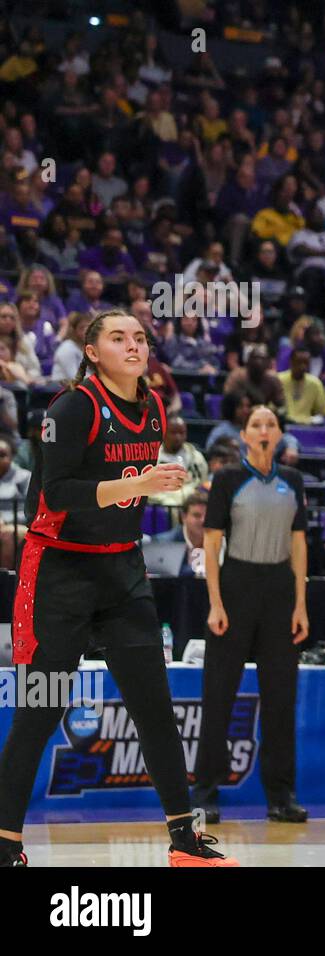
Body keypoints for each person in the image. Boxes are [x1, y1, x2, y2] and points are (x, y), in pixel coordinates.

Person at [0, 309, 234, 866]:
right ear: (91, 352)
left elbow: (124, 494)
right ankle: (6, 842)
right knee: (42, 709)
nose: (133, 345)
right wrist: (139, 483)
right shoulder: (71, 407)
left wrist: (143, 486)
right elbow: (54, 496)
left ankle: (184, 839)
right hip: (60, 571)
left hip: (123, 570)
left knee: (154, 707)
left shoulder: (153, 407)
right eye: (117, 337)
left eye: (139, 337)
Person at [193, 405, 309, 825]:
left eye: (271, 425)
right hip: (236, 586)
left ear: (279, 436)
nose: (264, 431)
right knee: (218, 696)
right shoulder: (226, 479)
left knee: (280, 699)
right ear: (244, 435)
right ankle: (205, 793)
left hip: (280, 591)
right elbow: (210, 545)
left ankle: (282, 797)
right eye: (256, 425)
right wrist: (216, 602)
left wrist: (300, 604)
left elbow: (299, 545)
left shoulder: (294, 481)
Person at [154, 491, 207, 578]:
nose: (203, 520)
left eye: (207, 516)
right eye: (197, 515)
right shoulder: (163, 544)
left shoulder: (221, 541)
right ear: (183, 517)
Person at [278, 345, 325, 424]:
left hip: (307, 426)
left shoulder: (315, 383)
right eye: (298, 362)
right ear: (291, 361)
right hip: (284, 424)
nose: (302, 366)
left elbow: (323, 413)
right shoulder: (279, 380)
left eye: (306, 363)